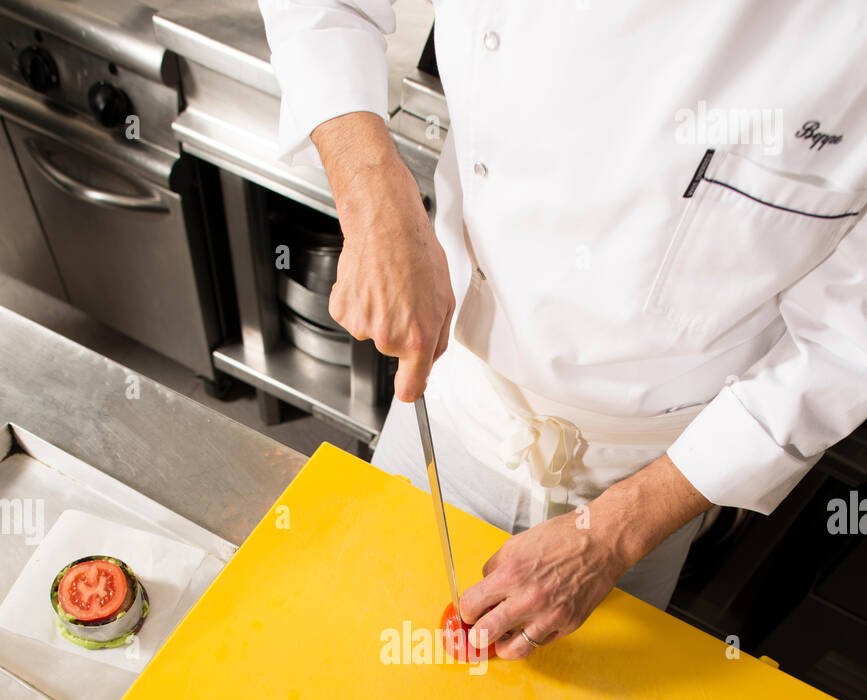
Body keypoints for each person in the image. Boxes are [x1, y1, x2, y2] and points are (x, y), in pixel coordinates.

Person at [259, 1, 867, 657]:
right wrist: (372, 196)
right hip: (450, 401)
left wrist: (612, 536)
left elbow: (845, 346)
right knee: (357, 652)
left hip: (653, 485)